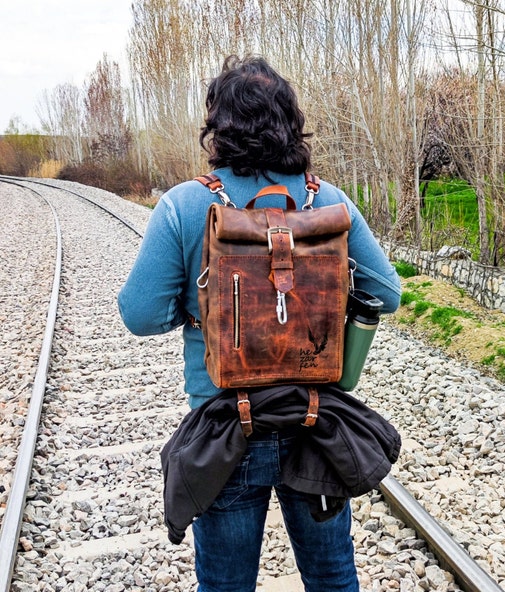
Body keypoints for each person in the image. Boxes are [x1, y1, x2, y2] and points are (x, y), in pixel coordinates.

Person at [118, 55, 401, 592]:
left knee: (225, 584)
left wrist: (202, 309)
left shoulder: (184, 204)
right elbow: (386, 293)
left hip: (226, 426)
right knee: (332, 577)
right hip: (315, 421)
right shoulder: (328, 201)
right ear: (291, 120)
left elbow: (140, 314)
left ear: (218, 125)